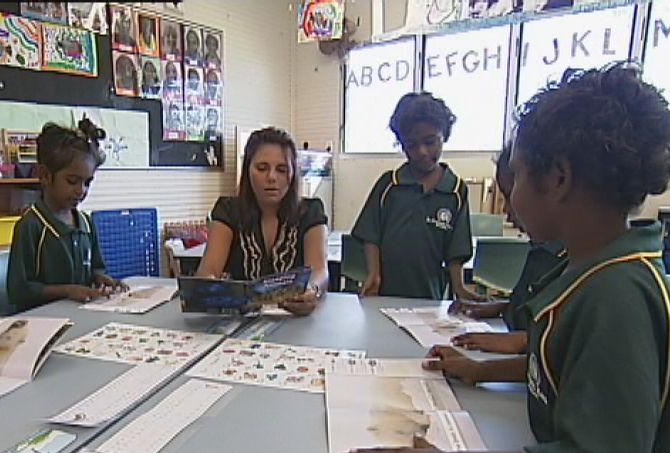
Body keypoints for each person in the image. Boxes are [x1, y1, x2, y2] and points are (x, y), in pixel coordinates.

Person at [342, 62, 670, 453]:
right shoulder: (587, 269)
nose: (508, 194)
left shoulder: (617, 295)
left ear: (557, 178)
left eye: (517, 173)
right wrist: (482, 371)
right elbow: (565, 366)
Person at [351, 92, 481, 301]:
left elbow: (456, 251)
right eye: (411, 144)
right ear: (402, 144)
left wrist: (459, 287)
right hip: (385, 297)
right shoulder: (389, 185)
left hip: (430, 299)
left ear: (444, 136)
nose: (421, 151)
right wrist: (373, 274)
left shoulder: (456, 191)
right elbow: (370, 235)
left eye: (430, 141)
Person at [444, 140, 567, 357]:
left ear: (557, 182)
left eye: (510, 196)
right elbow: (532, 311)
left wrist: (485, 369)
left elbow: (561, 345)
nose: (506, 211)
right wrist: (502, 307)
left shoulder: (574, 263)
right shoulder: (542, 249)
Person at [197, 127, 329, 316]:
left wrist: (312, 290)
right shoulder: (228, 210)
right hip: (239, 322)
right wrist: (211, 285)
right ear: (247, 170)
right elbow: (208, 270)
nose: (272, 177)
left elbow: (320, 270)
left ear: (293, 175)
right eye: (262, 168)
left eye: (282, 170)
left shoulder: (310, 212)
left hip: (296, 322)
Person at [7, 119, 125, 312]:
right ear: (45, 176)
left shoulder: (86, 223)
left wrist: (101, 279)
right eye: (72, 181)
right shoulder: (31, 226)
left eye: (87, 182)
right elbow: (19, 290)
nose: (81, 190)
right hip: (42, 323)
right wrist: (68, 291)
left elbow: (96, 267)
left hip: (81, 316)